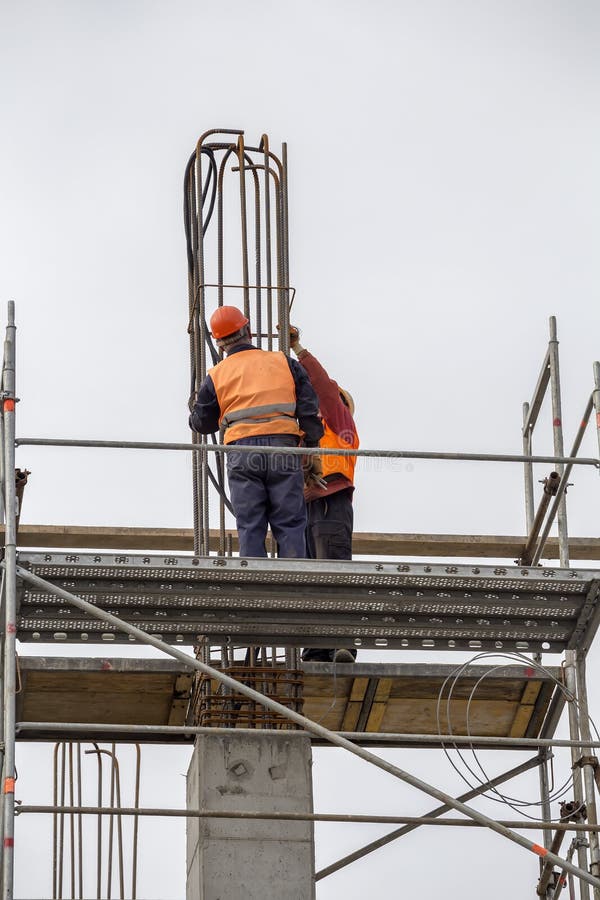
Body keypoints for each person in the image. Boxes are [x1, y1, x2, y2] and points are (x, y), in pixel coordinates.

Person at [189, 306, 323, 558]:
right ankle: (294, 582)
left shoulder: (216, 375)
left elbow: (202, 424)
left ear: (219, 344)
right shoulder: (283, 362)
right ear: (248, 330)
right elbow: (309, 408)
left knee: (250, 524)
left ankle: (253, 583)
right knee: (290, 522)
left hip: (242, 453)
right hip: (282, 449)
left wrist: (194, 411)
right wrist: (311, 446)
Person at [289, 326, 360, 663]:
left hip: (330, 500)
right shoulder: (309, 433)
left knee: (333, 571)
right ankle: (318, 647)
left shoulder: (339, 421)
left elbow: (324, 387)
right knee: (308, 577)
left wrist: (298, 351)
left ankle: (342, 641)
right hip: (306, 504)